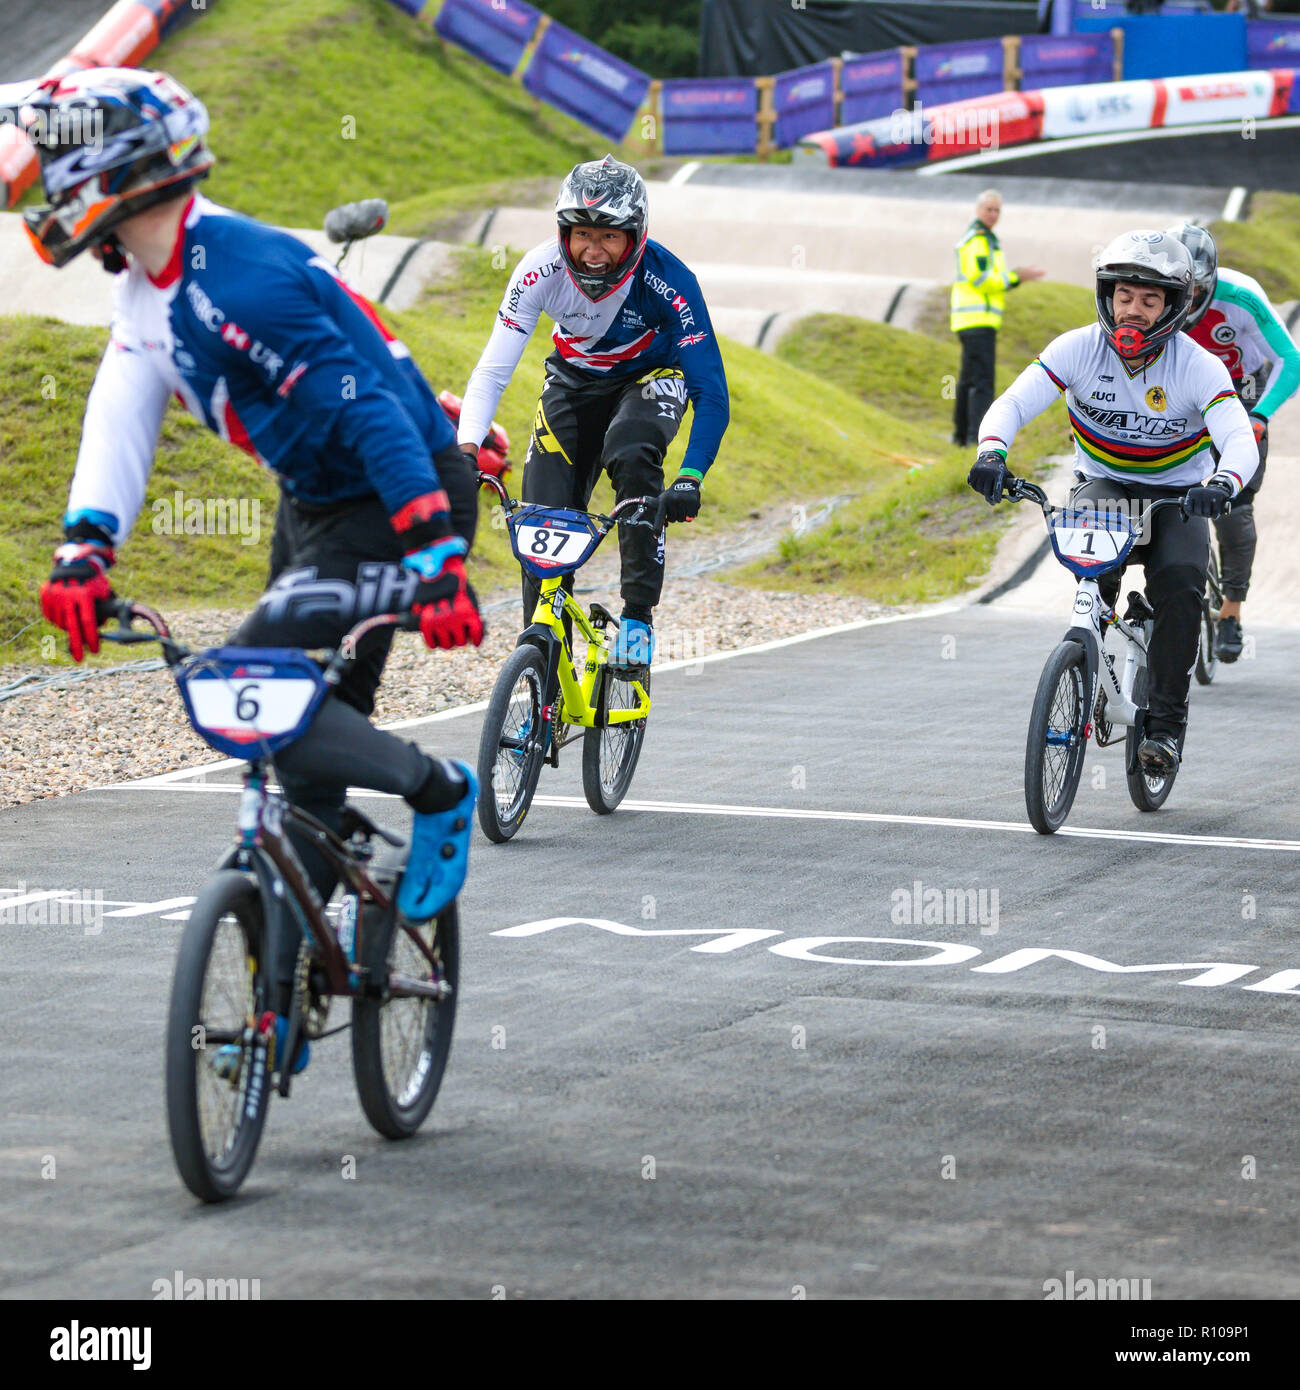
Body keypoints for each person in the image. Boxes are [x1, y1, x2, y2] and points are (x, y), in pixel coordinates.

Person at [24, 68, 482, 1074]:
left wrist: (438, 553)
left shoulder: (240, 275)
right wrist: (82, 551)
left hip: (402, 495)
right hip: (318, 505)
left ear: (118, 169)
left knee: (249, 673)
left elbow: (370, 410)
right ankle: (288, 976)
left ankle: (439, 788)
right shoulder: (152, 284)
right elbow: (122, 412)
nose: (40, 177)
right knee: (293, 747)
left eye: (58, 157)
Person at [967, 230, 1258, 775]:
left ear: (1173, 306)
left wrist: (1222, 484)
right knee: (1092, 579)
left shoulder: (1197, 365)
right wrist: (991, 455)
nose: (1134, 311)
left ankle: (1166, 728)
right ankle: (1084, 666)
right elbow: (1012, 402)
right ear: (1107, 295)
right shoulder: (1076, 348)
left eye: (1150, 301)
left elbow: (1239, 438)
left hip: (1179, 498)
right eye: (1124, 296)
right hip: (1107, 486)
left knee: (1181, 589)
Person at [456, 154, 730, 669]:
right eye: (582, 233)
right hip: (573, 382)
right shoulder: (538, 270)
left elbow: (711, 391)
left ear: (636, 236)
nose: (594, 251)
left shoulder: (671, 282)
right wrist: (465, 451)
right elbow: (492, 371)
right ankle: (543, 674)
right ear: (563, 232)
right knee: (542, 520)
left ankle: (637, 620)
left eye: (610, 237)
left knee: (630, 451)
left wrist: (691, 477)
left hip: (650, 379)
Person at [1167, 222, 1300, 661]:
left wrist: (1260, 415)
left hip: (1243, 388)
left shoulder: (1241, 298)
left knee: (1235, 508)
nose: (1187, 301)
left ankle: (1231, 612)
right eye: (1180, 289)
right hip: (1186, 390)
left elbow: (1291, 360)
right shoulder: (1157, 292)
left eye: (1196, 290)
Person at [949, 189, 1044, 447]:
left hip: (975, 321)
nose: (993, 214)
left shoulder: (986, 240)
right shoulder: (978, 241)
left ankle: (961, 438)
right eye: (988, 209)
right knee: (982, 383)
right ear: (978, 210)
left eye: (997, 210)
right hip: (977, 320)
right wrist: (1016, 277)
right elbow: (981, 280)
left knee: (969, 379)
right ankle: (976, 439)